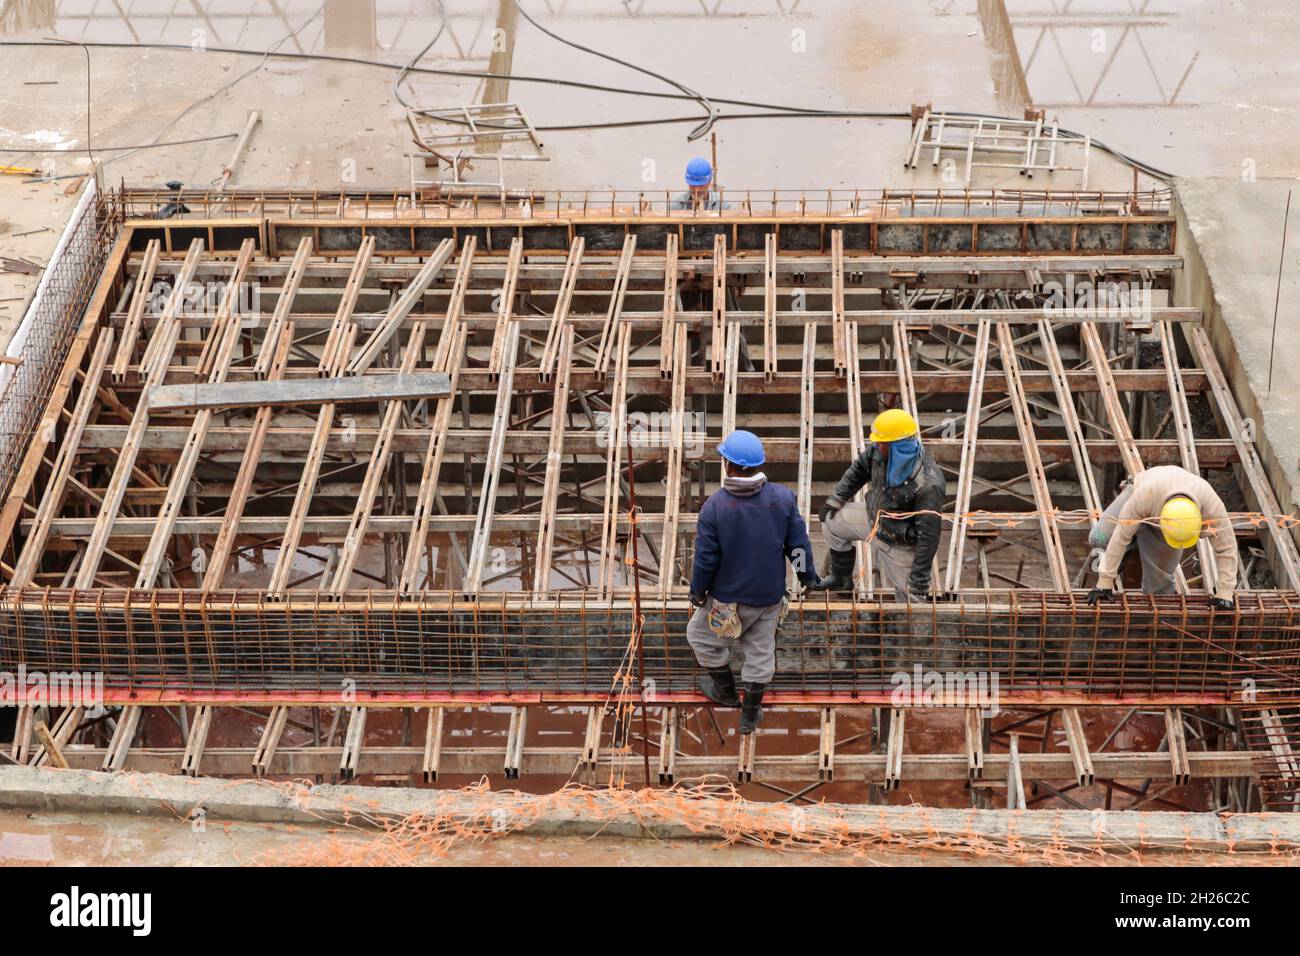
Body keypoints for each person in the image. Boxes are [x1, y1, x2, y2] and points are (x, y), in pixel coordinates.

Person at [688, 429, 820, 733]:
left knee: (700, 637)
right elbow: (798, 547)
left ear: (728, 465)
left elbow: (706, 560)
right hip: (768, 598)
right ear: (759, 464)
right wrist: (807, 577)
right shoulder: (782, 499)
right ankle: (750, 715)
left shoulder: (715, 507)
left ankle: (727, 693)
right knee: (761, 653)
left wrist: (698, 593)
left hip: (727, 601)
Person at [813, 408, 945, 600]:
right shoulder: (880, 452)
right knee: (831, 520)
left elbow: (929, 536)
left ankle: (910, 624)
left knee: (913, 601)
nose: (875, 446)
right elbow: (858, 470)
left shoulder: (928, 484)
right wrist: (836, 499)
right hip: (875, 521)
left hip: (900, 543)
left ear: (897, 446)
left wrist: (919, 577)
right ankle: (841, 580)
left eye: (881, 443)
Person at [1086, 464, 1237, 609]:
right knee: (1099, 539)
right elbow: (1120, 536)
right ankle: (1132, 544)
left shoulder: (1212, 507)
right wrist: (1104, 583)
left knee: (1159, 591)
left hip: (1163, 510)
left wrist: (1225, 593)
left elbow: (1226, 548)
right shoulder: (1143, 497)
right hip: (1140, 492)